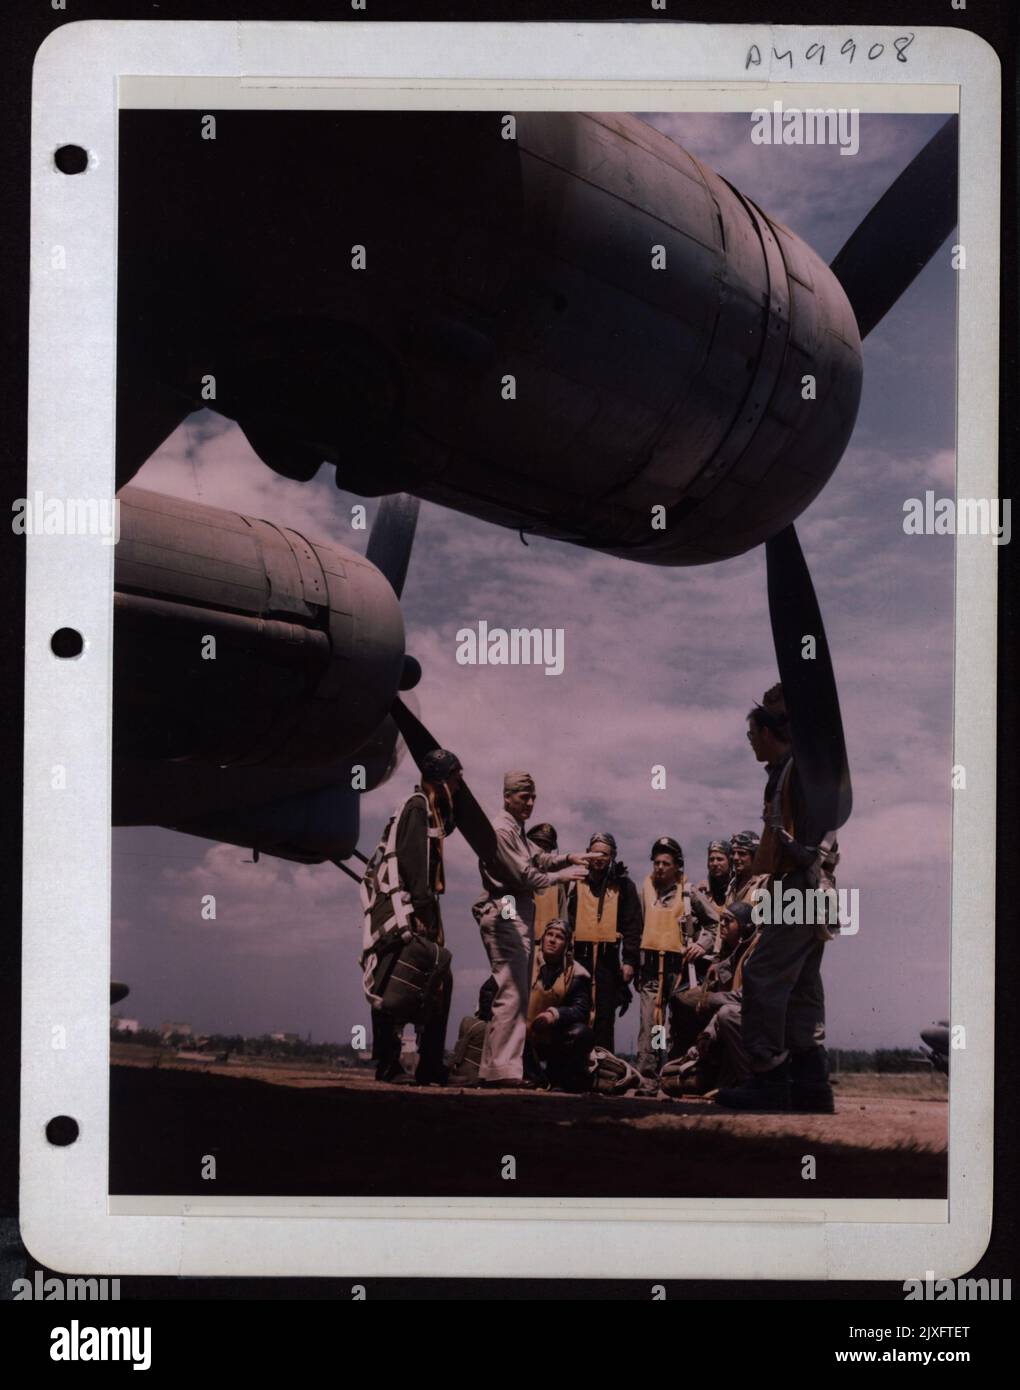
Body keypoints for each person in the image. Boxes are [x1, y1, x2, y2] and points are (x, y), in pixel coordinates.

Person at [716, 684, 838, 1113]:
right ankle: (811, 1084)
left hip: (799, 885)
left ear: (770, 732)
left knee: (763, 973)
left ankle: (768, 1077)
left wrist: (788, 701)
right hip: (809, 887)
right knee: (803, 985)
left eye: (754, 734)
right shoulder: (787, 774)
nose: (750, 742)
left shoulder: (797, 771)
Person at [473, 773, 590, 1088]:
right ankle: (503, 1072)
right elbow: (525, 875)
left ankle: (495, 1068)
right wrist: (562, 876)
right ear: (507, 796)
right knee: (512, 992)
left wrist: (566, 857)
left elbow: (535, 857)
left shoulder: (515, 829)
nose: (530, 803)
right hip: (507, 906)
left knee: (511, 992)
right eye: (524, 797)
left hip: (512, 905)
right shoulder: (501, 830)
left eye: (533, 797)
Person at [360, 748, 463, 1086]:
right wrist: (419, 909)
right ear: (442, 779)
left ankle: (429, 1062)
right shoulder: (417, 807)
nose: (459, 786)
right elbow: (414, 860)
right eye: (455, 779)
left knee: (435, 982)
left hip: (419, 907)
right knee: (394, 982)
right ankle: (389, 1063)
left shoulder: (427, 809)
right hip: (407, 910)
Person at [568, 833, 642, 1053]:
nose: (599, 858)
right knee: (577, 1009)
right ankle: (575, 1065)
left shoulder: (624, 885)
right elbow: (568, 918)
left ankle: (604, 1065)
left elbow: (632, 926)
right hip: (579, 955)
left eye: (604, 854)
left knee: (604, 1014)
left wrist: (629, 961)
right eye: (595, 852)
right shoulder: (576, 880)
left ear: (612, 856)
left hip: (608, 959)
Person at [668, 900, 758, 1063]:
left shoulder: (753, 955)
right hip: (726, 1011)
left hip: (752, 1021)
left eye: (728, 921)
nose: (722, 924)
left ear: (745, 927)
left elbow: (745, 998)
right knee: (679, 1000)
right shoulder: (730, 950)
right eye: (721, 919)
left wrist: (708, 999)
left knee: (722, 1013)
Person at [635, 837, 691, 1089]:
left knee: (674, 1025)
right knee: (652, 1020)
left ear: (677, 866)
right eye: (656, 862)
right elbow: (635, 929)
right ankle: (647, 1075)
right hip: (649, 966)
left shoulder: (689, 893)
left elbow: (713, 923)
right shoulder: (644, 892)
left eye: (665, 863)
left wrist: (703, 944)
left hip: (676, 968)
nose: (659, 867)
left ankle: (671, 1076)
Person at [527, 919, 593, 1092]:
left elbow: (581, 1010)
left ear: (567, 945)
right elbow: (492, 990)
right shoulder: (524, 961)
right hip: (520, 1035)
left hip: (552, 1038)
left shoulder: (577, 973)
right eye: (549, 935)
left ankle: (560, 1078)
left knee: (581, 1033)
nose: (552, 940)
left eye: (559, 937)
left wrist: (554, 1015)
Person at [527, 823, 569, 940]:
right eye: (537, 845)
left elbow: (563, 920)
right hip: (519, 947)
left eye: (546, 847)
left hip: (548, 951)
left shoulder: (557, 882)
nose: (541, 850)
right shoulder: (514, 875)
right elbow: (506, 916)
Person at [727, 829, 769, 906]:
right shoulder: (732, 884)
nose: (735, 858)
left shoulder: (763, 883)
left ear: (755, 856)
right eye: (733, 853)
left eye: (742, 853)